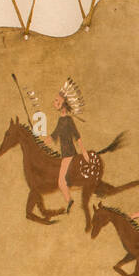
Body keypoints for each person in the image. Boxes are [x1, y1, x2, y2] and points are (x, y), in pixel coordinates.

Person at [49, 79, 88, 213]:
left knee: (61, 182)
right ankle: (69, 200)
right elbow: (55, 134)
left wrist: (84, 151)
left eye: (57, 101)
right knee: (61, 181)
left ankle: (69, 200)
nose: (54, 103)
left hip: (69, 154)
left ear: (64, 105)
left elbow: (77, 136)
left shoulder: (68, 120)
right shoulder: (61, 120)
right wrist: (47, 138)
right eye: (55, 101)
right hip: (65, 154)